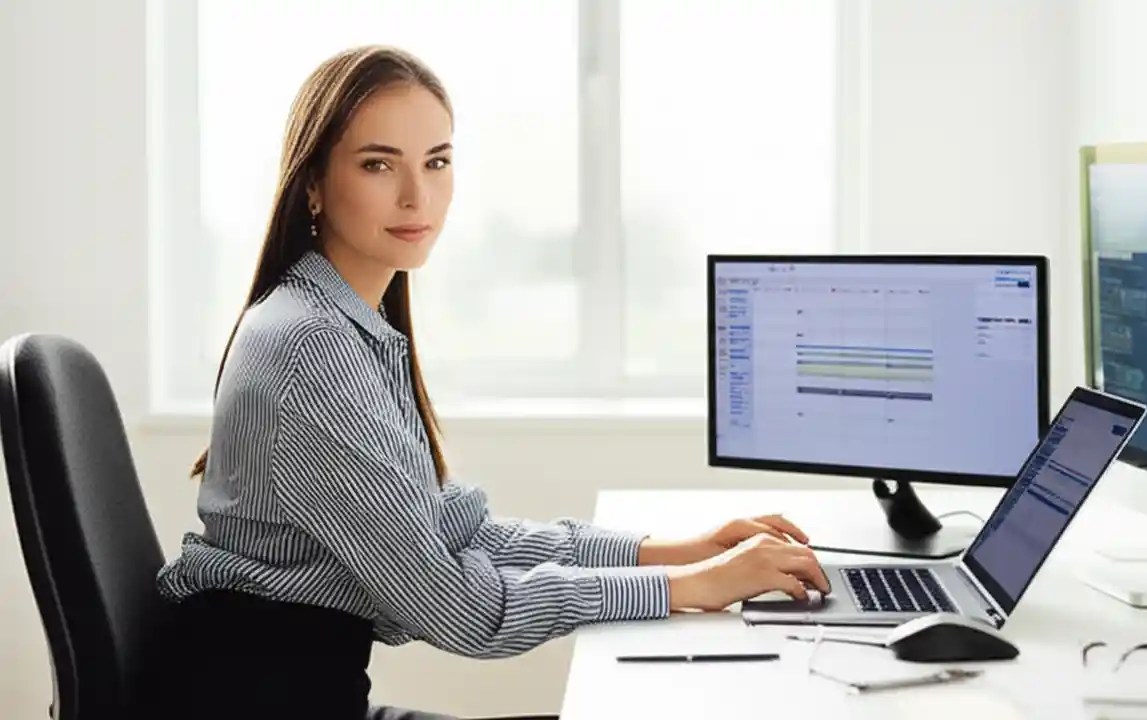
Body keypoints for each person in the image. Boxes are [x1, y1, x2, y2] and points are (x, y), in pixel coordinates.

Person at [154, 44, 830, 720]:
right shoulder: (311, 349)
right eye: (378, 164)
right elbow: (463, 608)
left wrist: (676, 552)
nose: (417, 194)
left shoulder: (341, 325)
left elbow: (460, 531)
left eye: (437, 162)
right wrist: (688, 587)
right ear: (314, 184)